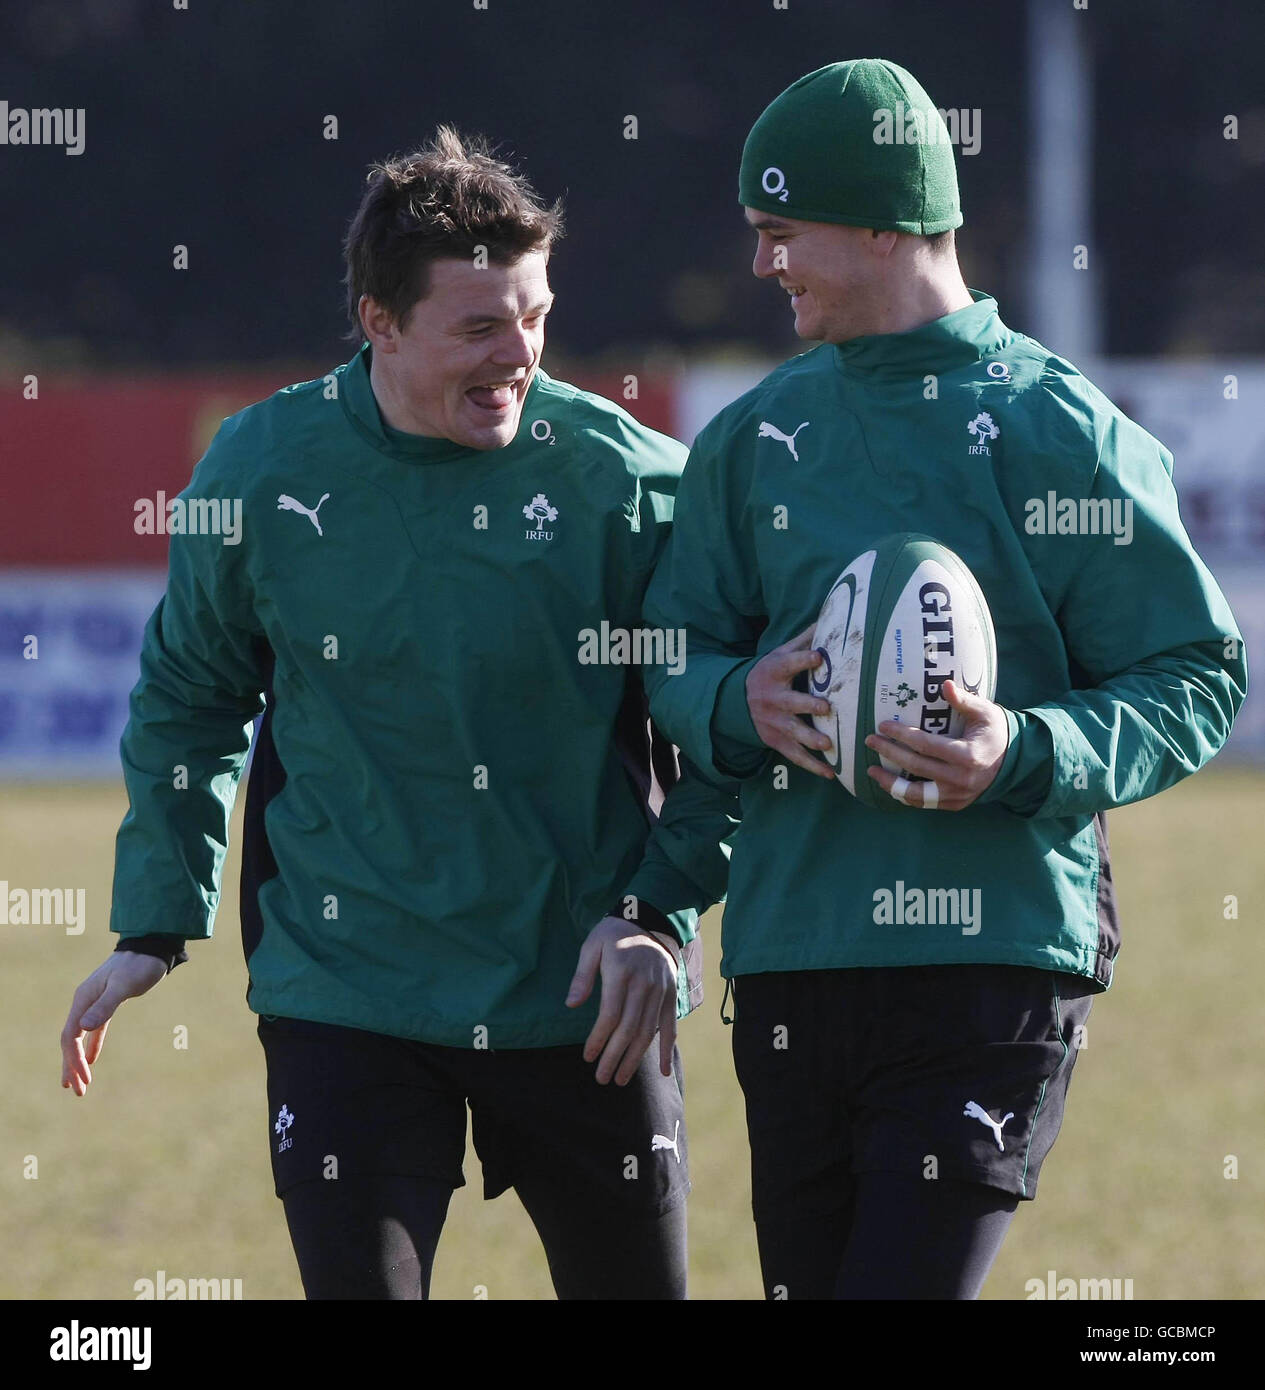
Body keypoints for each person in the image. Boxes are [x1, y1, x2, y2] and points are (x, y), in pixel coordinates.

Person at [60, 127, 736, 1301]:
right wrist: (153, 921)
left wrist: (659, 914)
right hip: (345, 990)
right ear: (378, 320)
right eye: (478, 326)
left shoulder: (633, 484)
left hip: (581, 993)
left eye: (533, 315)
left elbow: (723, 733)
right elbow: (191, 694)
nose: (517, 354)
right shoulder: (259, 470)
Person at [642, 59, 1247, 1300]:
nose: (762, 265)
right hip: (795, 961)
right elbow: (667, 655)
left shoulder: (1058, 429)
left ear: (881, 222)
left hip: (993, 963)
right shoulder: (750, 439)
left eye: (778, 232)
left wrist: (1022, 752)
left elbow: (1192, 673)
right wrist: (730, 700)